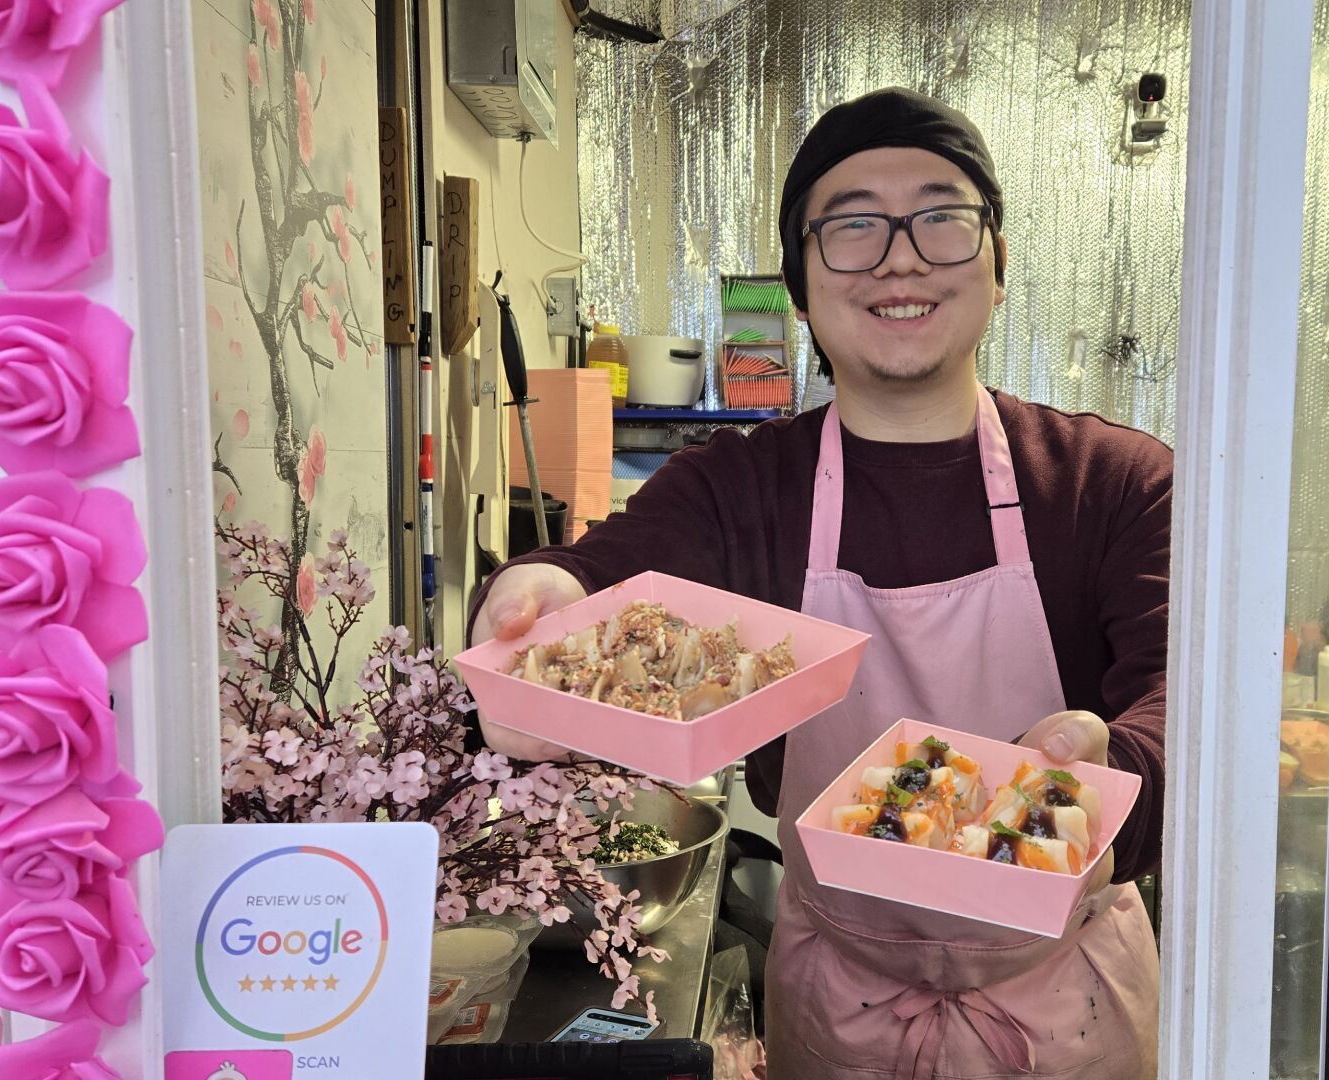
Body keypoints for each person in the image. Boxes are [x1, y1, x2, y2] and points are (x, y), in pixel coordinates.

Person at [469, 86, 1168, 1079]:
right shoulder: (739, 487)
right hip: (841, 1003)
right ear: (799, 284)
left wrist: (1100, 783)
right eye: (849, 228)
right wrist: (537, 592)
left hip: (1063, 1005)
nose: (899, 256)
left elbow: (1187, 704)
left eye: (941, 217)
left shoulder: (1113, 481)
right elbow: (597, 577)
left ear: (998, 265)